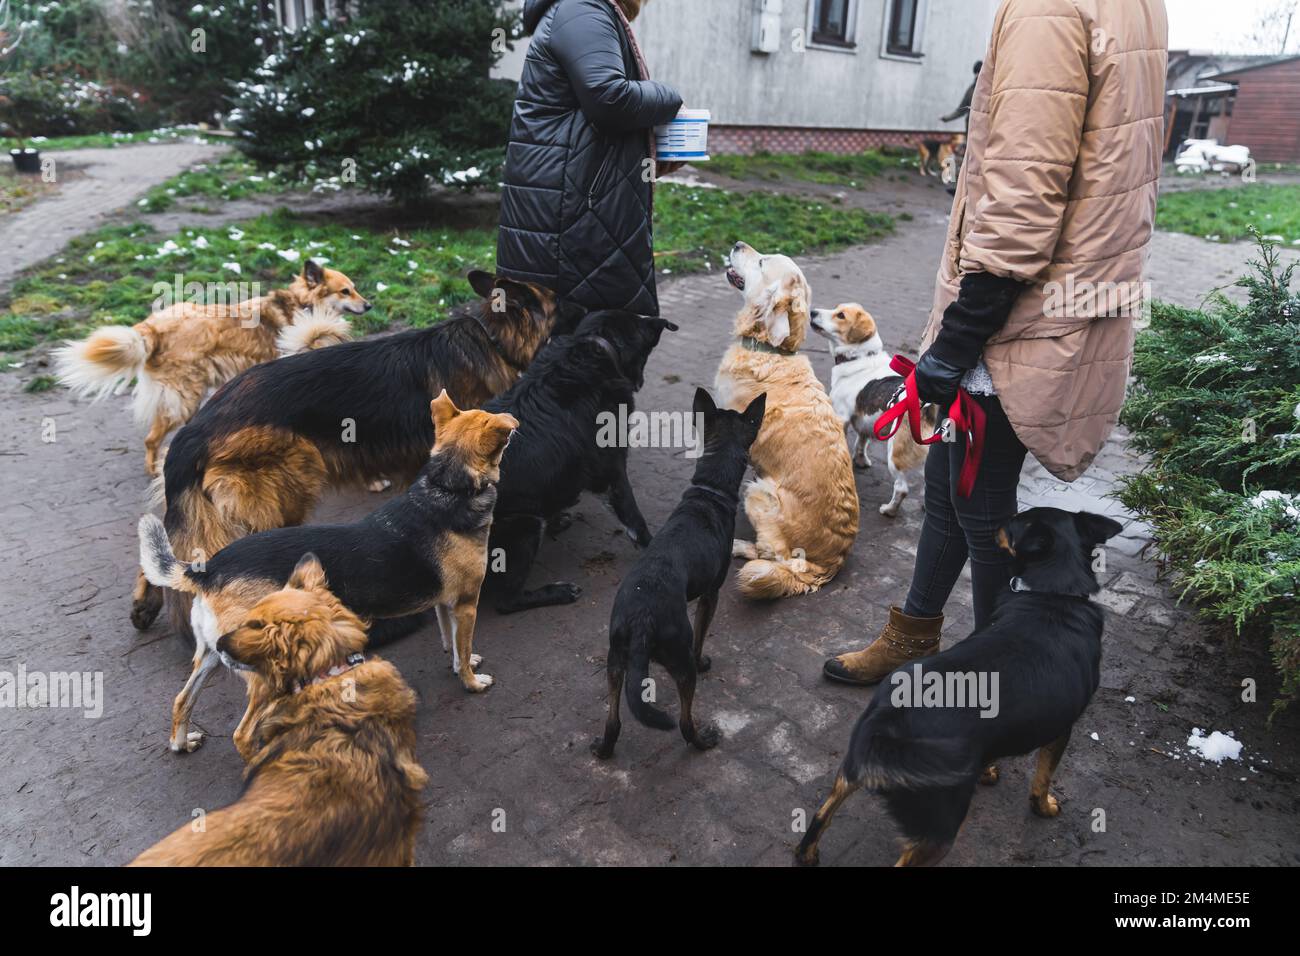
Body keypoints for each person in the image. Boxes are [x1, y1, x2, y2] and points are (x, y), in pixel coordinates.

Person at [823, 0, 1169, 686]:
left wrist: (954, 345)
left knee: (981, 506)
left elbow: (1022, 196)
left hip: (1019, 311)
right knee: (952, 491)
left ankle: (995, 682)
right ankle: (916, 631)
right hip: (1053, 299)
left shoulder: (1051, 7)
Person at [496, 0, 683, 316]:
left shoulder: (581, 10)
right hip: (572, 224)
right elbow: (609, 98)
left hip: (570, 214)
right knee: (588, 349)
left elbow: (588, 123)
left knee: (578, 351)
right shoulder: (581, 9)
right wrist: (671, 98)